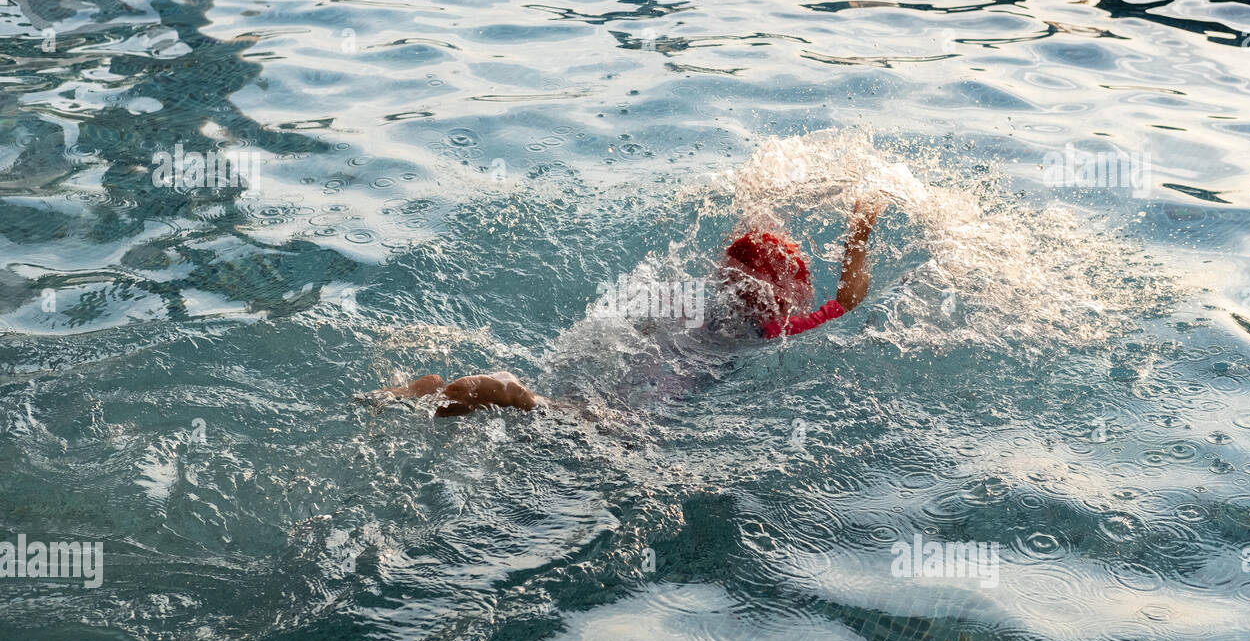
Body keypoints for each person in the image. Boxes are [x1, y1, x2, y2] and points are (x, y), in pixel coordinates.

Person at [356, 199, 882, 416]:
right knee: (553, 418)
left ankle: (425, 397)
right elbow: (850, 299)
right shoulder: (769, 331)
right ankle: (496, 390)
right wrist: (860, 230)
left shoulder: (690, 302)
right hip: (638, 408)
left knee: (556, 412)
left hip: (633, 370)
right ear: (784, 293)